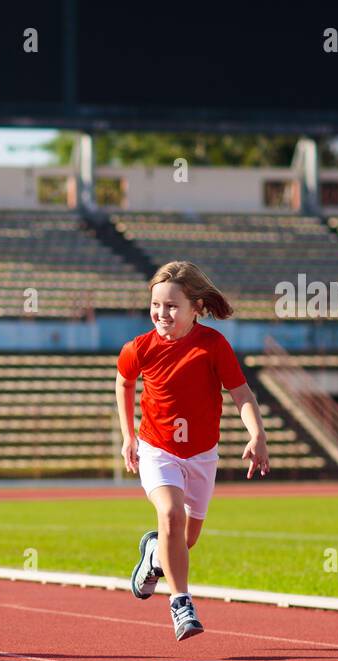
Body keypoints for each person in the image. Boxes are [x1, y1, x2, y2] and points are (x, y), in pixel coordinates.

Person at [115, 261, 270, 641]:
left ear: (195, 307)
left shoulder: (213, 346)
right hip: (157, 448)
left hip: (202, 454)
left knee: (186, 538)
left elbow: (241, 393)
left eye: (171, 306)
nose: (161, 313)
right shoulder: (139, 348)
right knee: (169, 514)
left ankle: (153, 557)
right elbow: (124, 382)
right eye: (156, 305)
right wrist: (128, 435)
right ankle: (181, 603)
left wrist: (257, 433)